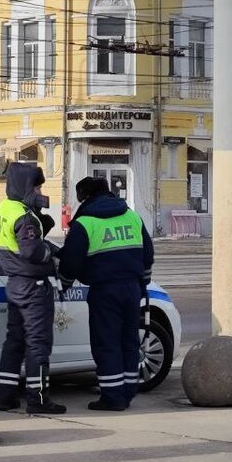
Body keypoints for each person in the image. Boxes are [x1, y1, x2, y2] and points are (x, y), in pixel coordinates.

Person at [60, 176, 154, 412]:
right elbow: (148, 253)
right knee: (129, 340)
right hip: (132, 288)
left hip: (104, 290)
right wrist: (143, 282)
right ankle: (128, 391)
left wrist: (65, 283)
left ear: (85, 197)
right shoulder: (131, 215)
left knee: (107, 342)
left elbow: (71, 261)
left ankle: (112, 397)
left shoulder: (85, 222)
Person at [0, 162, 66, 415]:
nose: (40, 191)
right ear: (26, 186)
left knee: (14, 342)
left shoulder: (5, 208)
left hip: (15, 284)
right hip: (33, 287)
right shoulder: (25, 217)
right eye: (37, 186)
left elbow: (16, 244)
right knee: (38, 344)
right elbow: (32, 251)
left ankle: (6, 396)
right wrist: (51, 252)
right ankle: (39, 399)